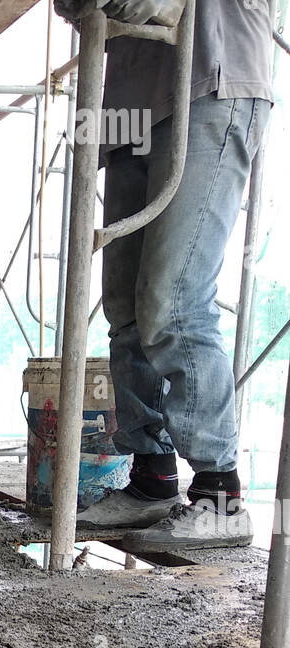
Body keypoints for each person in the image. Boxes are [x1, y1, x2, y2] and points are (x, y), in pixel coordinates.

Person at [56, 0, 274, 550]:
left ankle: (220, 494)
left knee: (173, 300)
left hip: (210, 77)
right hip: (128, 106)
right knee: (125, 308)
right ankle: (152, 477)